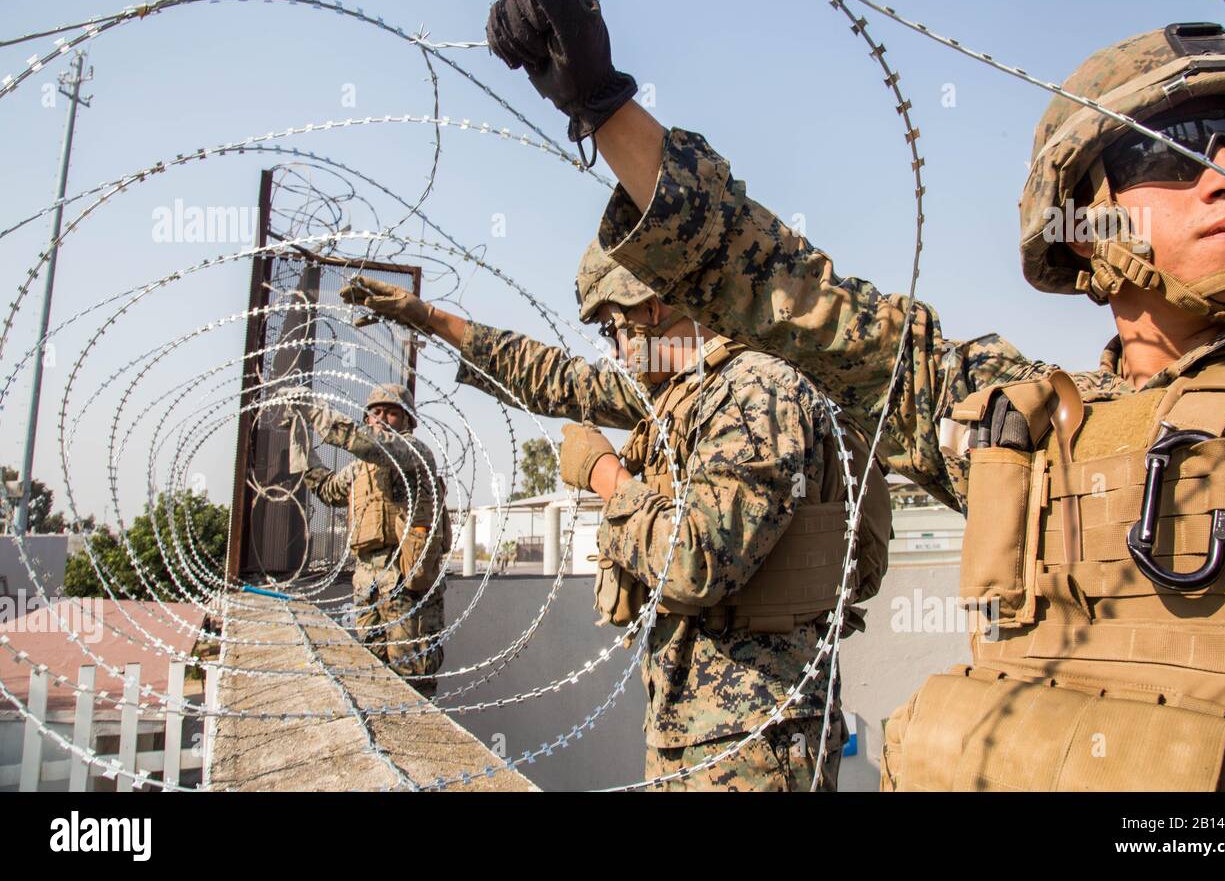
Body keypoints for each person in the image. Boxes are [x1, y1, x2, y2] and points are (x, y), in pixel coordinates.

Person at [483, 0, 1225, 790]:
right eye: (1174, 153)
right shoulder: (1014, 423)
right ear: (1084, 211)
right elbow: (790, 296)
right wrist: (605, 106)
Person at [339, 242, 892, 791]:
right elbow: (554, 377)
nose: (615, 348)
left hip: (758, 729)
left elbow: (696, 561)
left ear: (649, 310)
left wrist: (605, 473)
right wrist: (430, 319)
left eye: (612, 327)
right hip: (691, 718)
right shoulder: (678, 393)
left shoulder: (755, 390)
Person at [286, 383, 450, 697]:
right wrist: (299, 438)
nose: (382, 418)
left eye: (392, 413)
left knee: (413, 680)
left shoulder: (414, 453)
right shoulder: (360, 468)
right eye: (375, 413)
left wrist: (315, 411)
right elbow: (328, 489)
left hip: (406, 583)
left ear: (407, 421)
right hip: (368, 585)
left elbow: (373, 445)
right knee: (373, 676)